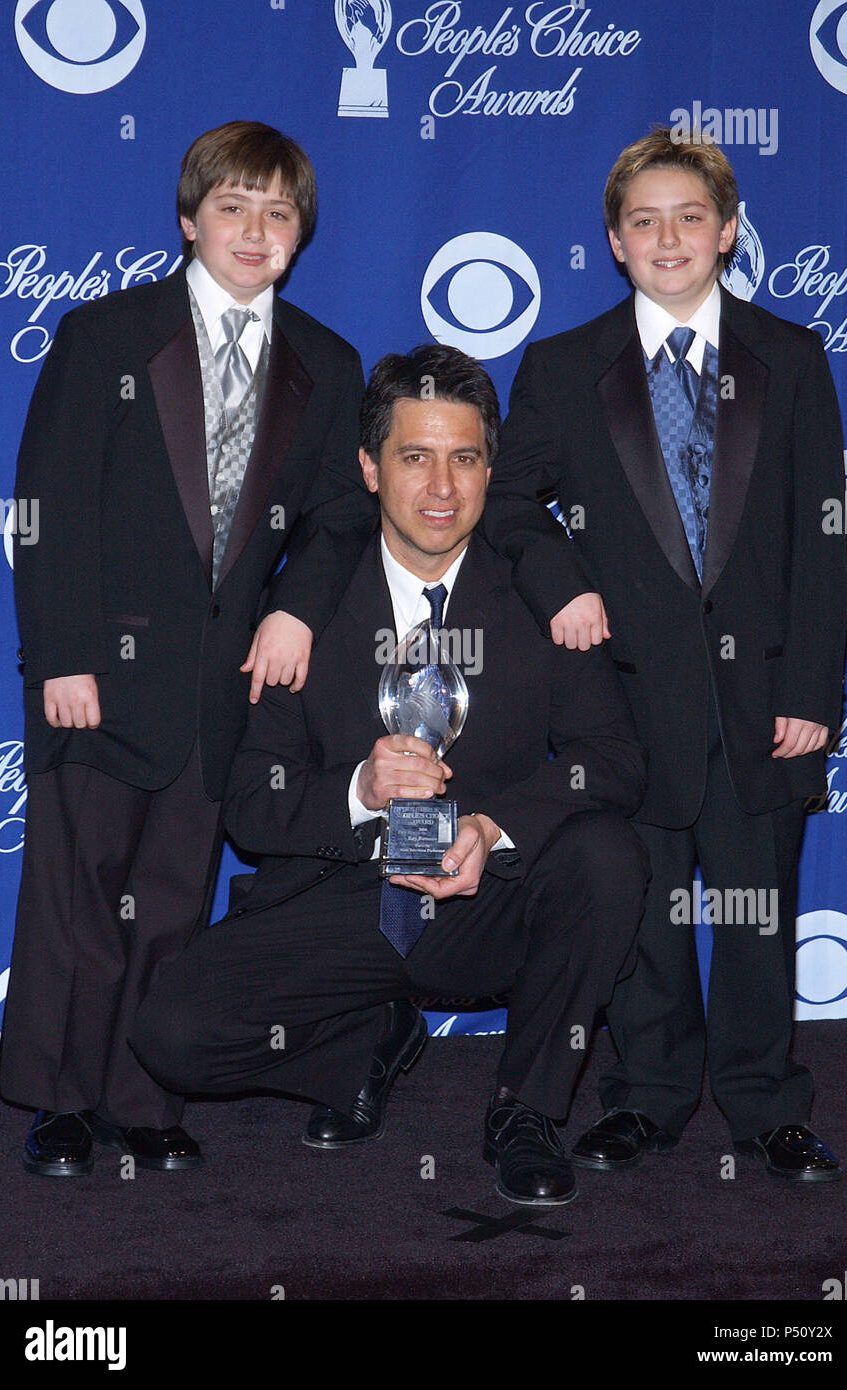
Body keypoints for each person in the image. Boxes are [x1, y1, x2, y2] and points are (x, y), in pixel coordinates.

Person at [130, 344, 649, 1207]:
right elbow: (253, 805)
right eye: (415, 457)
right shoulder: (302, 614)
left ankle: (525, 1112)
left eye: (465, 458)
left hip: (484, 899)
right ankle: (363, 1039)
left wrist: (489, 827)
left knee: (606, 856)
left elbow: (616, 760)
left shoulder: (545, 596)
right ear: (370, 468)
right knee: (172, 1031)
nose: (442, 488)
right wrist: (356, 791)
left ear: (492, 468)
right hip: (348, 897)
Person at [0, 120, 377, 1177]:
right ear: (187, 220)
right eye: (233, 208)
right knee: (80, 899)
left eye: (278, 212)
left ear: (301, 233)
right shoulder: (107, 336)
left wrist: (296, 608)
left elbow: (343, 517)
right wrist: (61, 656)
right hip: (99, 680)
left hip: (222, 689)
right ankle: (62, 1102)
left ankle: (141, 1096)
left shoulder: (326, 361)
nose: (255, 231)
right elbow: (48, 507)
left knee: (170, 899)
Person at [482, 128, 847, 1182]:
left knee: (753, 912)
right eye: (643, 220)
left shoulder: (790, 357)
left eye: (690, 216)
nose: (668, 236)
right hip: (625, 704)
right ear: (612, 241)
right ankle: (643, 1097)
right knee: (642, 916)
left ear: (728, 232)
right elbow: (508, 500)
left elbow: (821, 536)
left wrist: (810, 689)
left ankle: (765, 1104)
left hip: (760, 703)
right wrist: (564, 585)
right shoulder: (560, 366)